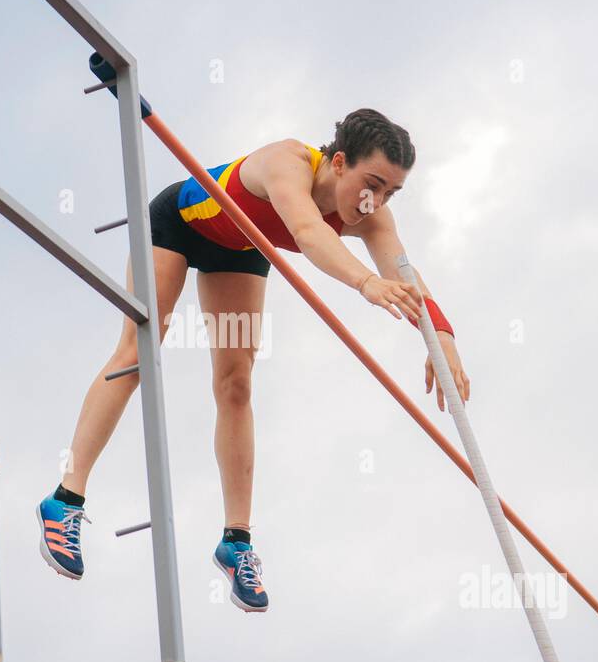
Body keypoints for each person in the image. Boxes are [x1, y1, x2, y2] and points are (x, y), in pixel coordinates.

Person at [37, 108, 470, 611]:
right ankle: (65, 499)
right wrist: (366, 283)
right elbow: (310, 235)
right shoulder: (288, 163)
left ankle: (236, 542)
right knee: (139, 351)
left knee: (236, 384)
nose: (376, 201)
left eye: (392, 192)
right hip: (177, 224)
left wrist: (442, 339)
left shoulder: (373, 215)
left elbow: (406, 272)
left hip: (239, 247)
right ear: (339, 163)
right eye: (372, 183)